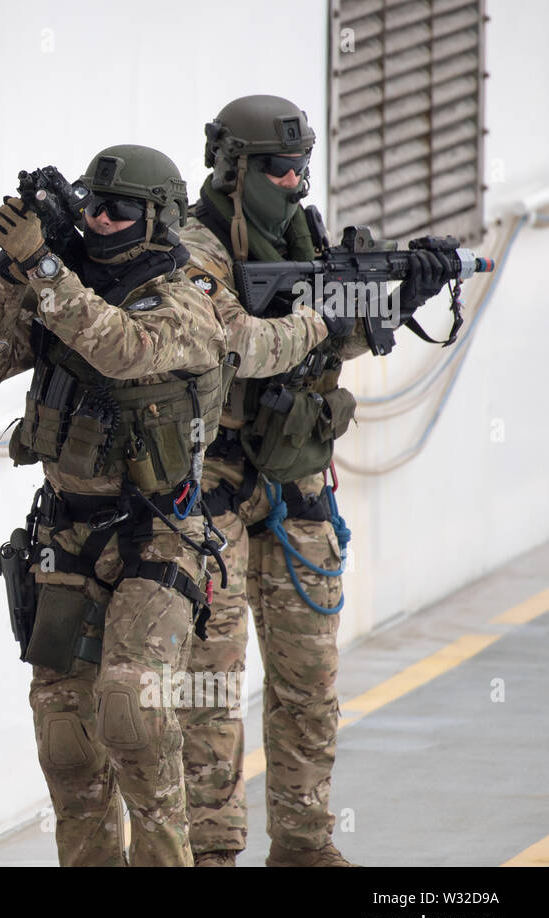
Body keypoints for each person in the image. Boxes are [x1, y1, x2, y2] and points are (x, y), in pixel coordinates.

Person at [178, 95, 449, 867]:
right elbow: (237, 347)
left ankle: (303, 843)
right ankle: (213, 853)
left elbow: (328, 349)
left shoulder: (307, 234)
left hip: (297, 484)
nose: (295, 182)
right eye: (277, 168)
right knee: (209, 689)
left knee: (308, 687)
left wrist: (397, 297)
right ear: (233, 168)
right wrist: (327, 319)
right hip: (218, 486)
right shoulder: (192, 249)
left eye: (302, 166)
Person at [0, 145, 229, 866]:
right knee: (66, 735)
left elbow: (122, 350)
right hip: (68, 533)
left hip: (158, 533)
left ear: (156, 218)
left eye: (118, 210)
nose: (100, 220)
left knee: (133, 713)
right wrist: (15, 276)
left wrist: (47, 268)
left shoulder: (186, 298)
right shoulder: (58, 291)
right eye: (90, 207)